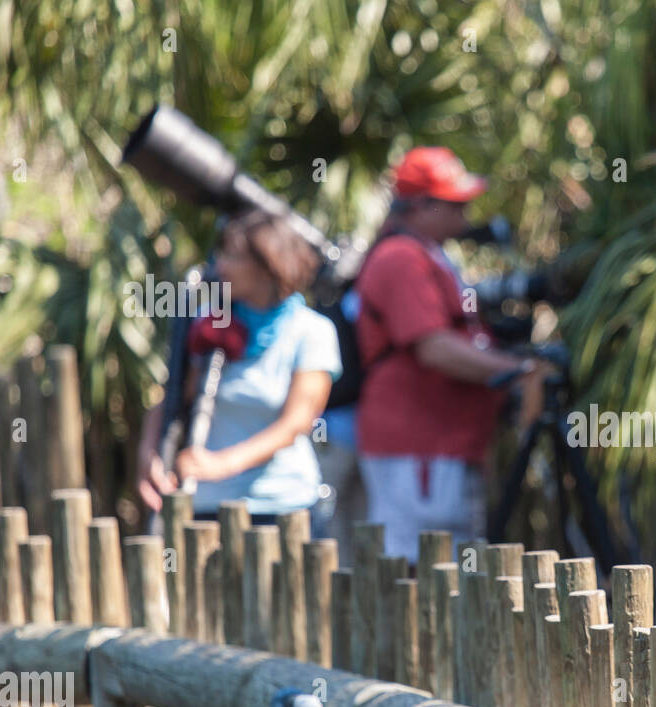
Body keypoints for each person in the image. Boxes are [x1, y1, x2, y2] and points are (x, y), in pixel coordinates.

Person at [354, 147, 549, 562]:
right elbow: (434, 348)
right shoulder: (400, 256)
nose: (466, 212)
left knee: (452, 567)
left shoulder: (430, 252)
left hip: (444, 442)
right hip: (416, 442)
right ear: (421, 205)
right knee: (419, 566)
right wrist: (518, 369)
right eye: (455, 203)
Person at [137, 208, 342, 529]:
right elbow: (175, 394)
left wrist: (220, 464)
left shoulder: (311, 331)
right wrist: (148, 452)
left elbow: (297, 424)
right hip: (206, 505)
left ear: (268, 265)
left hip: (281, 507)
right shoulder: (210, 321)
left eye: (233, 257)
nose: (220, 266)